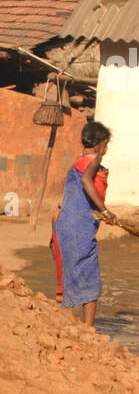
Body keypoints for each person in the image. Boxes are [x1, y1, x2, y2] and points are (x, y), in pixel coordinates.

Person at [51, 119, 117, 327]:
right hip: (78, 225)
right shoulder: (93, 159)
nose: (105, 151)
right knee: (89, 274)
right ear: (99, 144)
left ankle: (68, 321)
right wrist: (105, 210)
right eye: (105, 145)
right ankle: (88, 328)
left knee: (71, 272)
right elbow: (87, 181)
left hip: (65, 224)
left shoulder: (79, 160)